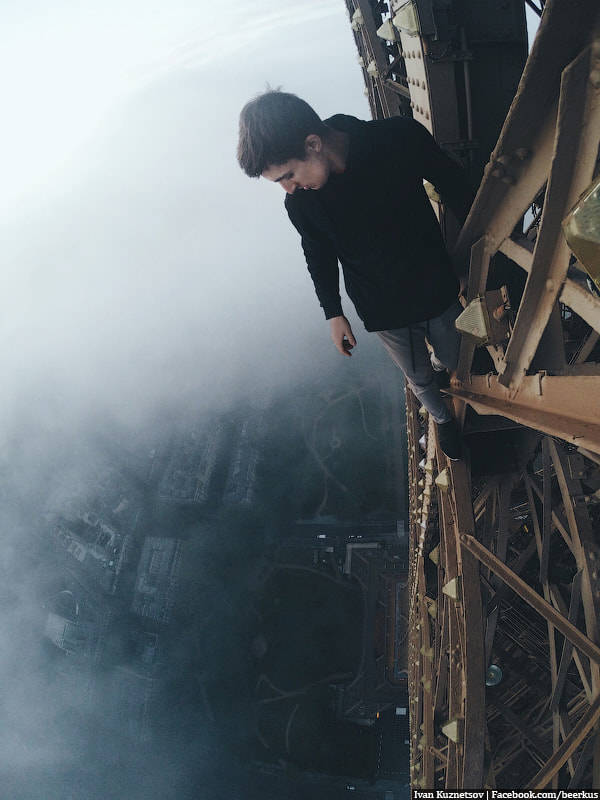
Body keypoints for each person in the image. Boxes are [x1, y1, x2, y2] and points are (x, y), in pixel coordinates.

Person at [237, 90, 473, 460]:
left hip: (435, 288)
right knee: (419, 378)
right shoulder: (301, 203)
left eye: (288, 175)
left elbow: (456, 187)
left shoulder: (396, 138)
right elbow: (318, 254)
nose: (289, 188)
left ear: (313, 144)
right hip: (383, 311)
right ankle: (443, 419)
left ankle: (447, 375)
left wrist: (482, 249)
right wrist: (333, 312)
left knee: (455, 357)